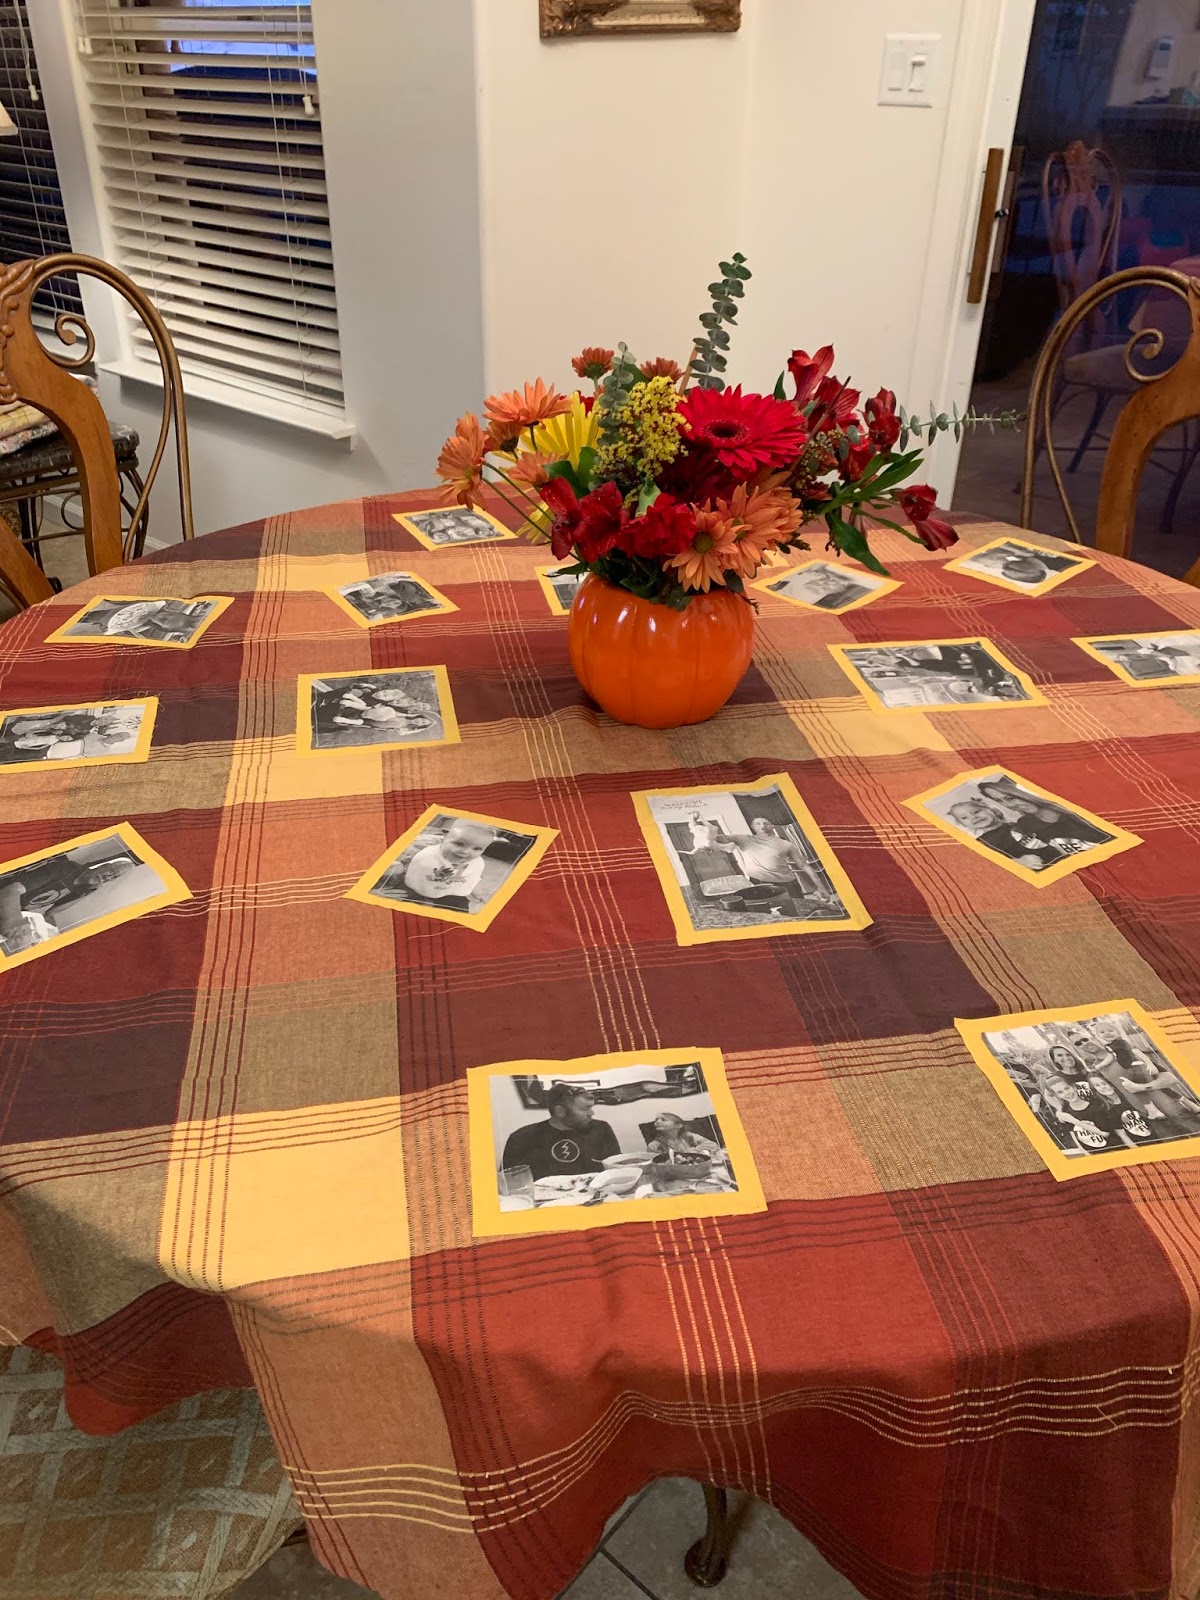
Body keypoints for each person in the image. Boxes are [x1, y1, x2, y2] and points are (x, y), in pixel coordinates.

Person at [501, 1084, 620, 1180]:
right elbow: (511, 1185)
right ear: (560, 1111)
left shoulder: (601, 1129)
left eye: (591, 1107)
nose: (591, 1113)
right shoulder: (523, 1138)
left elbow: (617, 1169)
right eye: (585, 1108)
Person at [398, 820, 495, 911]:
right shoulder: (428, 855)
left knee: (460, 908)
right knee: (405, 901)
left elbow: (473, 878)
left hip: (451, 892)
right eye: (459, 844)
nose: (465, 852)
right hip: (418, 888)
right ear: (443, 840)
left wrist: (478, 893)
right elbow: (411, 870)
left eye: (477, 849)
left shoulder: (476, 863)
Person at [974, 782, 1110, 847]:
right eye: (999, 801)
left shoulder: (1064, 803)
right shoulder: (1024, 825)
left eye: (1010, 798)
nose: (1009, 806)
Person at [646, 1111, 720, 1161]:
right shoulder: (654, 1146)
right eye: (656, 1120)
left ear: (678, 1125)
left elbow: (713, 1145)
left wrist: (696, 1149)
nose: (657, 1122)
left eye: (663, 1120)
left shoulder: (688, 1136)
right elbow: (655, 1164)